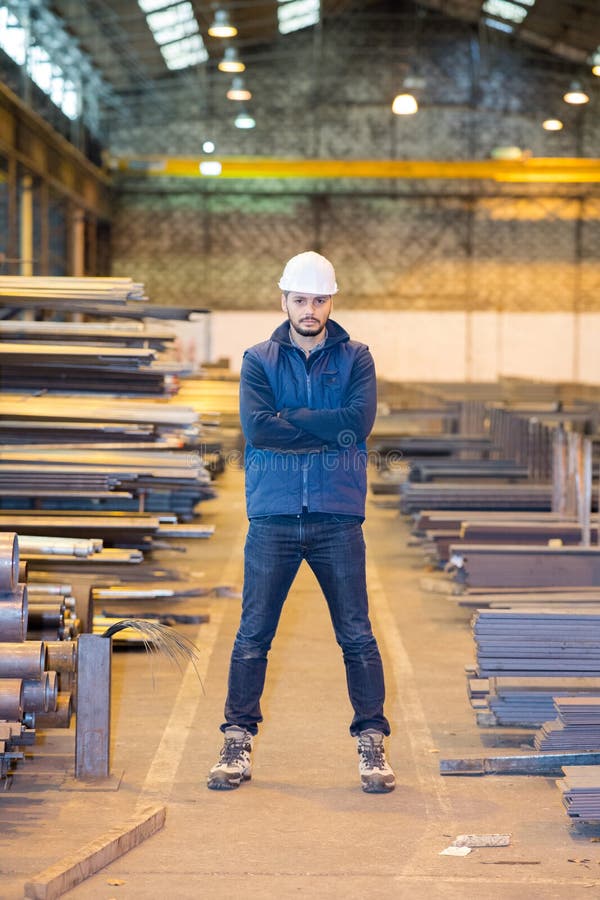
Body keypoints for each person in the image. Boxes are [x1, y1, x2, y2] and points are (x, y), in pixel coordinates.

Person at [207, 251, 394, 794]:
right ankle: (237, 740)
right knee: (252, 636)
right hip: (273, 516)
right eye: (300, 299)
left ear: (330, 300)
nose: (309, 309)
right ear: (284, 299)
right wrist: (326, 427)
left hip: (338, 515)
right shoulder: (258, 359)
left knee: (356, 636)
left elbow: (357, 423)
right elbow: (258, 430)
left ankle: (372, 743)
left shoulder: (356, 357)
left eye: (318, 299)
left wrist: (295, 420)